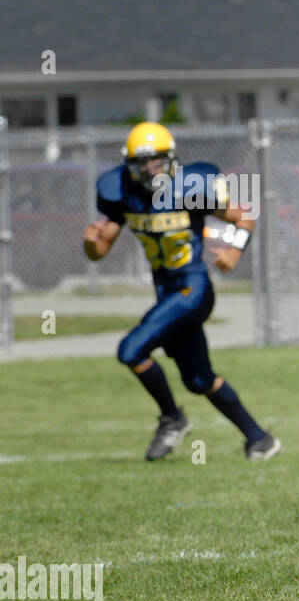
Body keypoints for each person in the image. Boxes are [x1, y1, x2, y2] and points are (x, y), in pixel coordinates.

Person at [83, 121, 280, 461]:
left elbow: (245, 214)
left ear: (171, 158)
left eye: (156, 160)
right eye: (141, 162)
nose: (149, 169)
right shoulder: (122, 191)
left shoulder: (190, 186)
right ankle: (259, 438)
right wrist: (90, 244)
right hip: (167, 293)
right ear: (128, 164)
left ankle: (172, 418)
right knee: (199, 379)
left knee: (131, 350)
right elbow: (100, 250)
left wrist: (234, 250)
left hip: (193, 288)